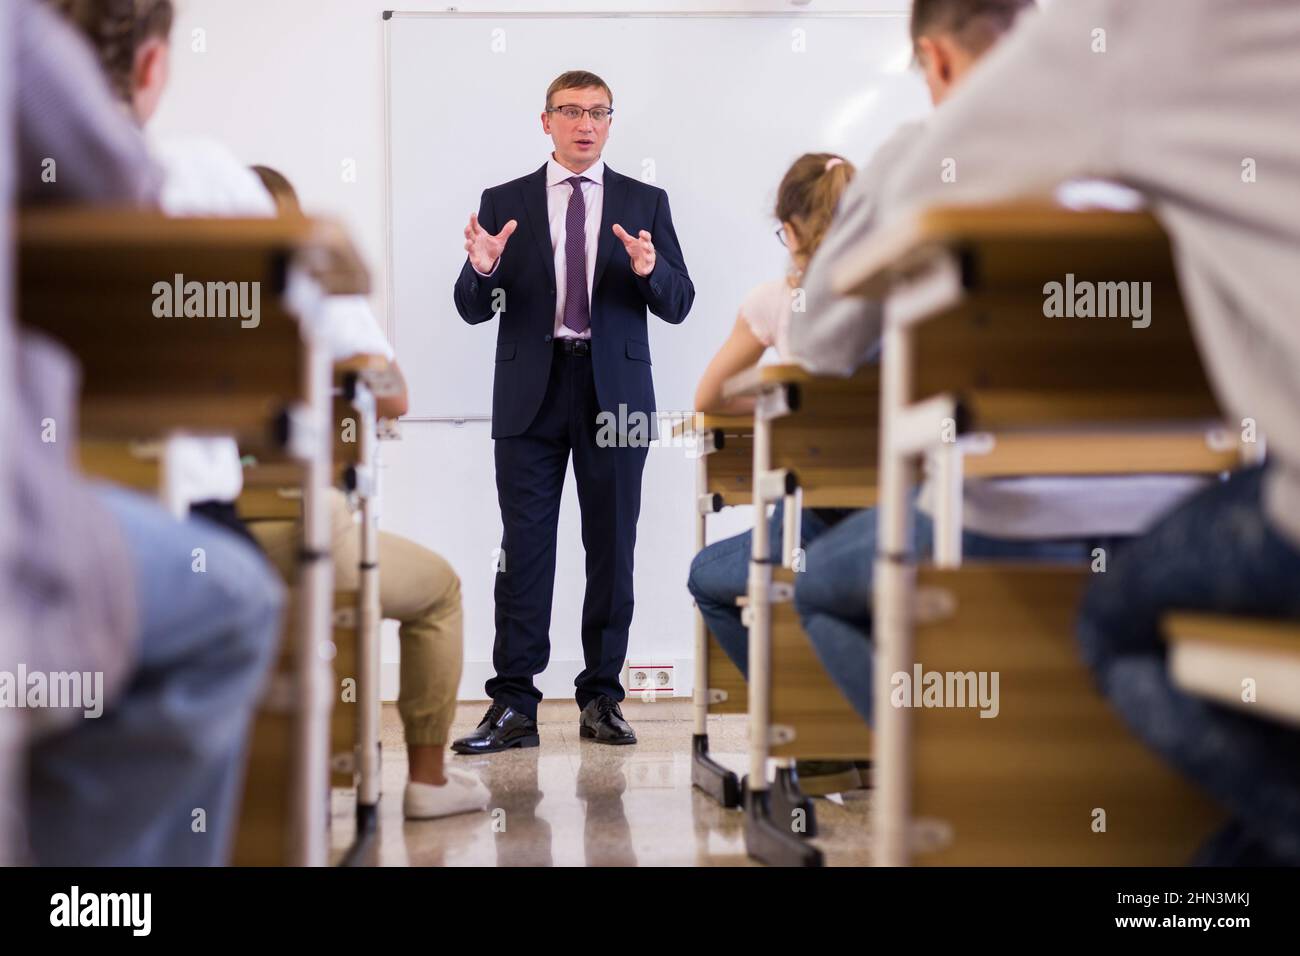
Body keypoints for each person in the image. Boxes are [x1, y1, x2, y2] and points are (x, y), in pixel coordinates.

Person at [861, 0, 1300, 864]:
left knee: (1109, 622)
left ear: (936, 62)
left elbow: (865, 273)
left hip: (1012, 509)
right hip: (1197, 481)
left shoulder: (1139, 33)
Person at [9, 0, 283, 866]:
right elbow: (126, 202)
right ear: (153, 66)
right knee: (235, 601)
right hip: (55, 527)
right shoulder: (21, 38)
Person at [451, 70, 694, 753]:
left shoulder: (646, 201)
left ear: (610, 123)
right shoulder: (505, 200)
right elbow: (471, 307)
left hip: (616, 395)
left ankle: (602, 699)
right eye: (571, 111)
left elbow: (679, 303)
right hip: (531, 393)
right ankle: (514, 707)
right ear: (546, 120)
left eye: (598, 112)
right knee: (523, 551)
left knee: (612, 547)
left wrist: (650, 270)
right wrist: (485, 268)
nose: (585, 123)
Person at [249, 166, 486, 820]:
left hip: (184, 535)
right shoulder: (321, 293)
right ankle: (428, 783)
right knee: (439, 589)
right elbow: (394, 396)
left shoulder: (168, 304)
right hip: (297, 526)